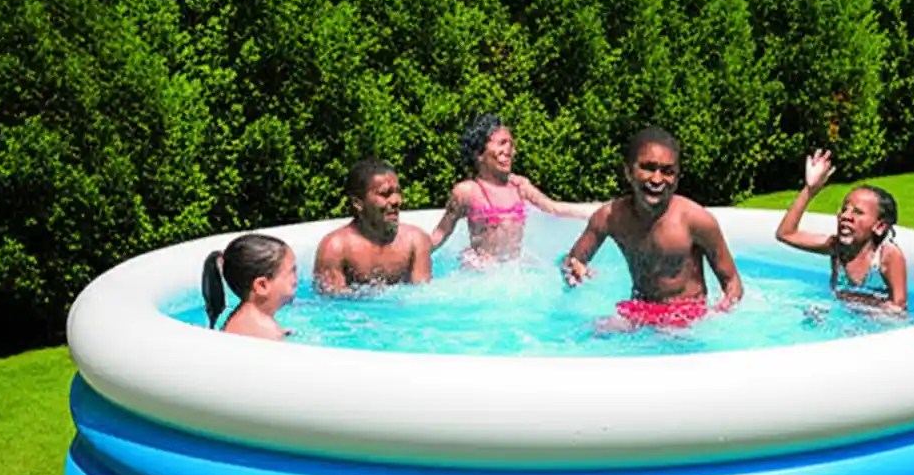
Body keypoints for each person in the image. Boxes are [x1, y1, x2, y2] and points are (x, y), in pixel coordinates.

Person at [561, 126, 743, 329]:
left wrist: (717, 316)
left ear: (677, 176)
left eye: (667, 171)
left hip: (687, 319)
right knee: (589, 332)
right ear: (628, 172)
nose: (657, 179)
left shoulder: (696, 220)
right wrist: (575, 270)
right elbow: (572, 261)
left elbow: (732, 282)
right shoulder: (610, 217)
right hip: (639, 310)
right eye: (648, 168)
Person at [431, 113, 601, 269]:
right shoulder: (467, 191)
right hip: (482, 270)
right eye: (502, 143)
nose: (509, 151)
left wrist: (602, 212)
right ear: (479, 154)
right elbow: (440, 233)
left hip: (513, 269)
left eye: (511, 145)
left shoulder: (519, 187)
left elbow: (554, 208)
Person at [774, 149, 908, 312]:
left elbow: (898, 307)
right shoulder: (836, 247)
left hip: (872, 321)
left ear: (879, 226)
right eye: (844, 209)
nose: (846, 216)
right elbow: (785, 234)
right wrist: (810, 190)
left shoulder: (887, 256)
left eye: (857, 212)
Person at [314, 158, 432, 293]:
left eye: (398, 192)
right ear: (358, 203)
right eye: (385, 194)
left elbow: (422, 298)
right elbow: (330, 306)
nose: (396, 201)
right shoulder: (335, 249)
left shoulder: (416, 241)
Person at [201, 233, 298, 341]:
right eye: (292, 271)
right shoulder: (266, 332)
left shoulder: (245, 317)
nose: (296, 278)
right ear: (262, 286)